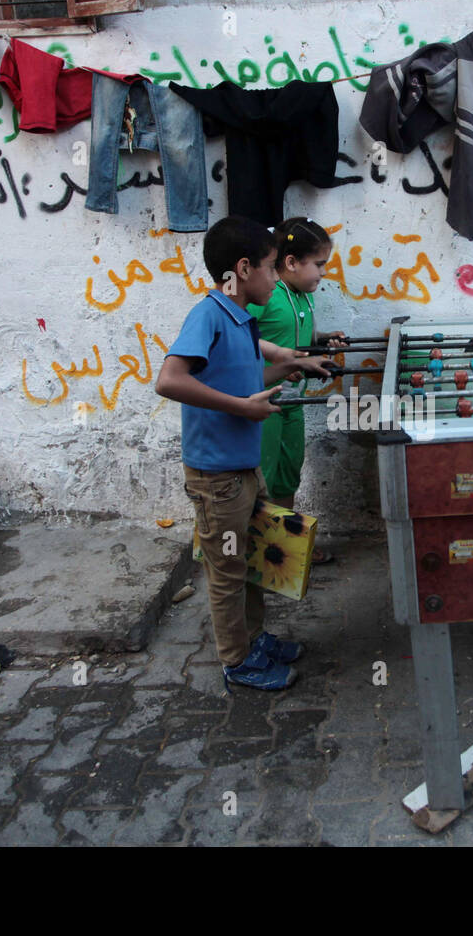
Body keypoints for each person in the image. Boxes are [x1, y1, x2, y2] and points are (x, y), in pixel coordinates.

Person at [154, 216, 335, 691]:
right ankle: (237, 661)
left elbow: (249, 363)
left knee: (251, 558)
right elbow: (169, 380)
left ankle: (254, 638)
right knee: (227, 571)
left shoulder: (237, 317)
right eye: (272, 269)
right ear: (242, 268)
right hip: (216, 477)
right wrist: (241, 407)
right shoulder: (208, 314)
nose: (276, 279)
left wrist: (294, 361)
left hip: (242, 468)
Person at [247, 217, 346, 564]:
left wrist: (320, 340)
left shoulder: (302, 297)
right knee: (265, 474)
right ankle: (257, 553)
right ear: (290, 262)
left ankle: (285, 548)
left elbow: (293, 336)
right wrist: (277, 359)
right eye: (318, 264)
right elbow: (240, 331)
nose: (322, 273)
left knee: (289, 473)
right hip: (262, 401)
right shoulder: (269, 294)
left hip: (293, 400)